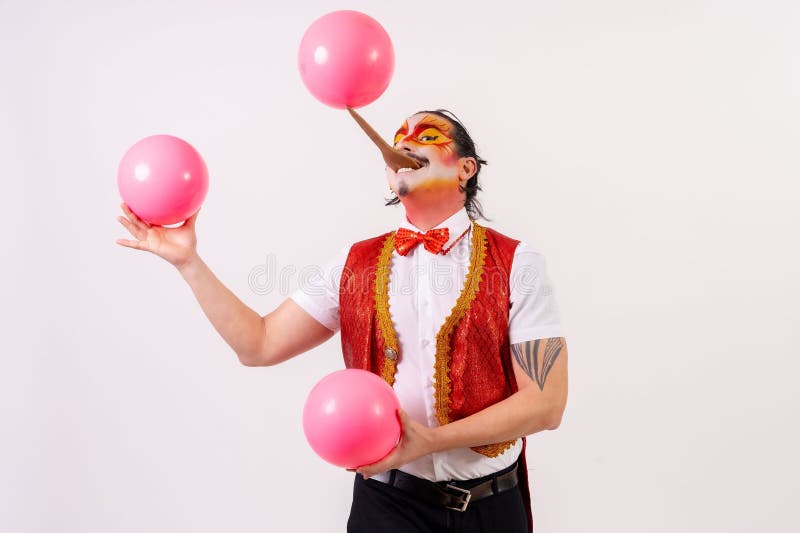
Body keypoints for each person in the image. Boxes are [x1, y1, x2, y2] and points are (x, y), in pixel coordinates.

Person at [115, 108, 568, 533]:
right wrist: (188, 261)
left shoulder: (517, 264)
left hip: (491, 510)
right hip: (387, 509)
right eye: (398, 141)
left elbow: (546, 405)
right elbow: (258, 344)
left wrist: (432, 440)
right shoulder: (353, 265)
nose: (405, 145)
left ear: (466, 169)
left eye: (425, 137)